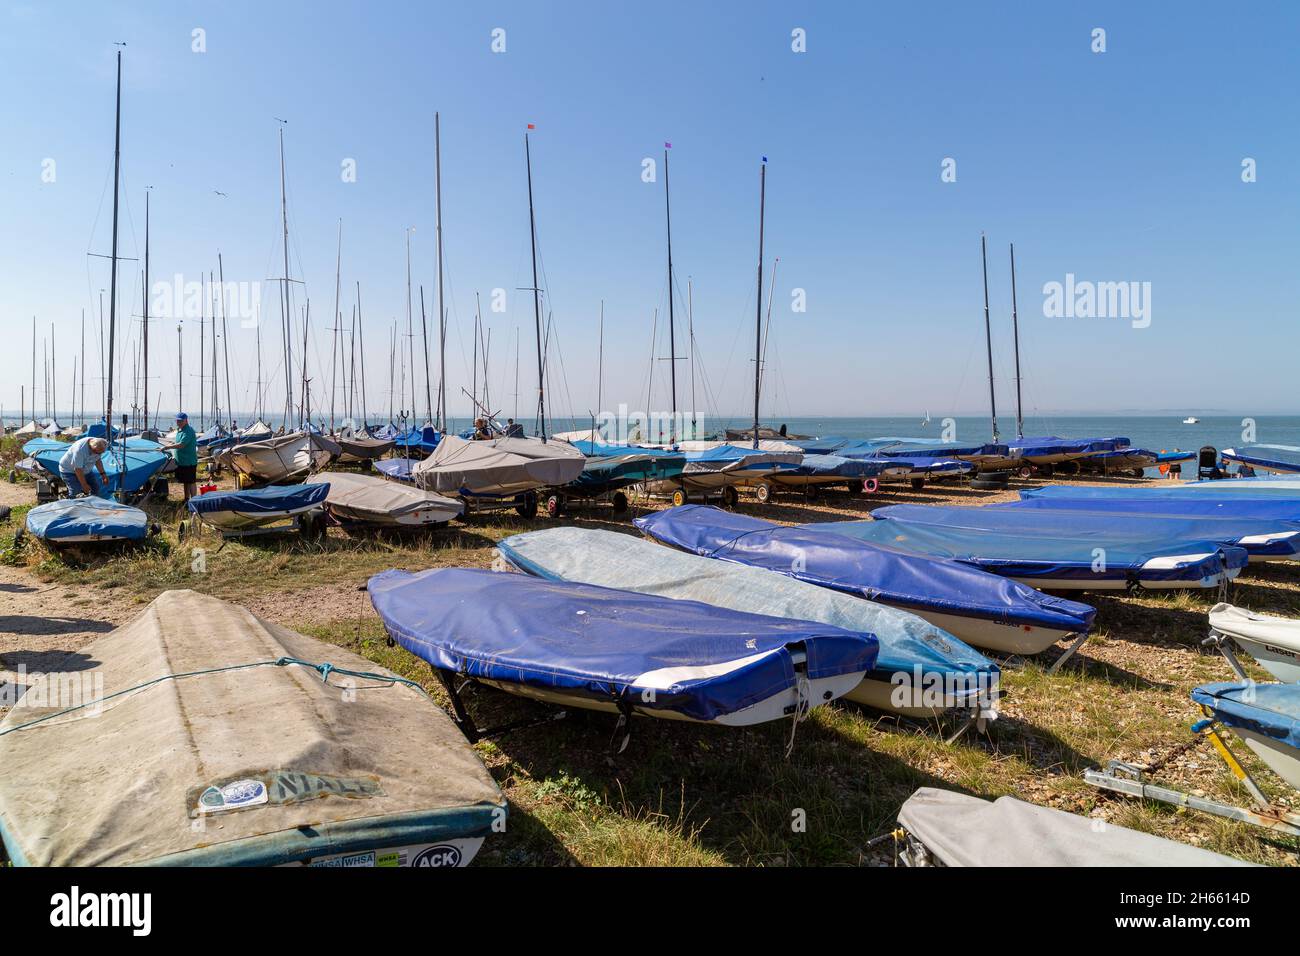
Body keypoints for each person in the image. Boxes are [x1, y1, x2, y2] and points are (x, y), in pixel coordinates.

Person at [161, 412, 199, 502]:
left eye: (181, 421)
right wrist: (169, 445)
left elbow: (182, 445)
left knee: (191, 481)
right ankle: (186, 499)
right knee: (186, 481)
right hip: (182, 461)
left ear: (186, 420)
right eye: (177, 421)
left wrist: (167, 447)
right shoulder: (179, 430)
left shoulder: (188, 430)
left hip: (189, 461)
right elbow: (177, 442)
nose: (179, 422)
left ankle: (194, 501)